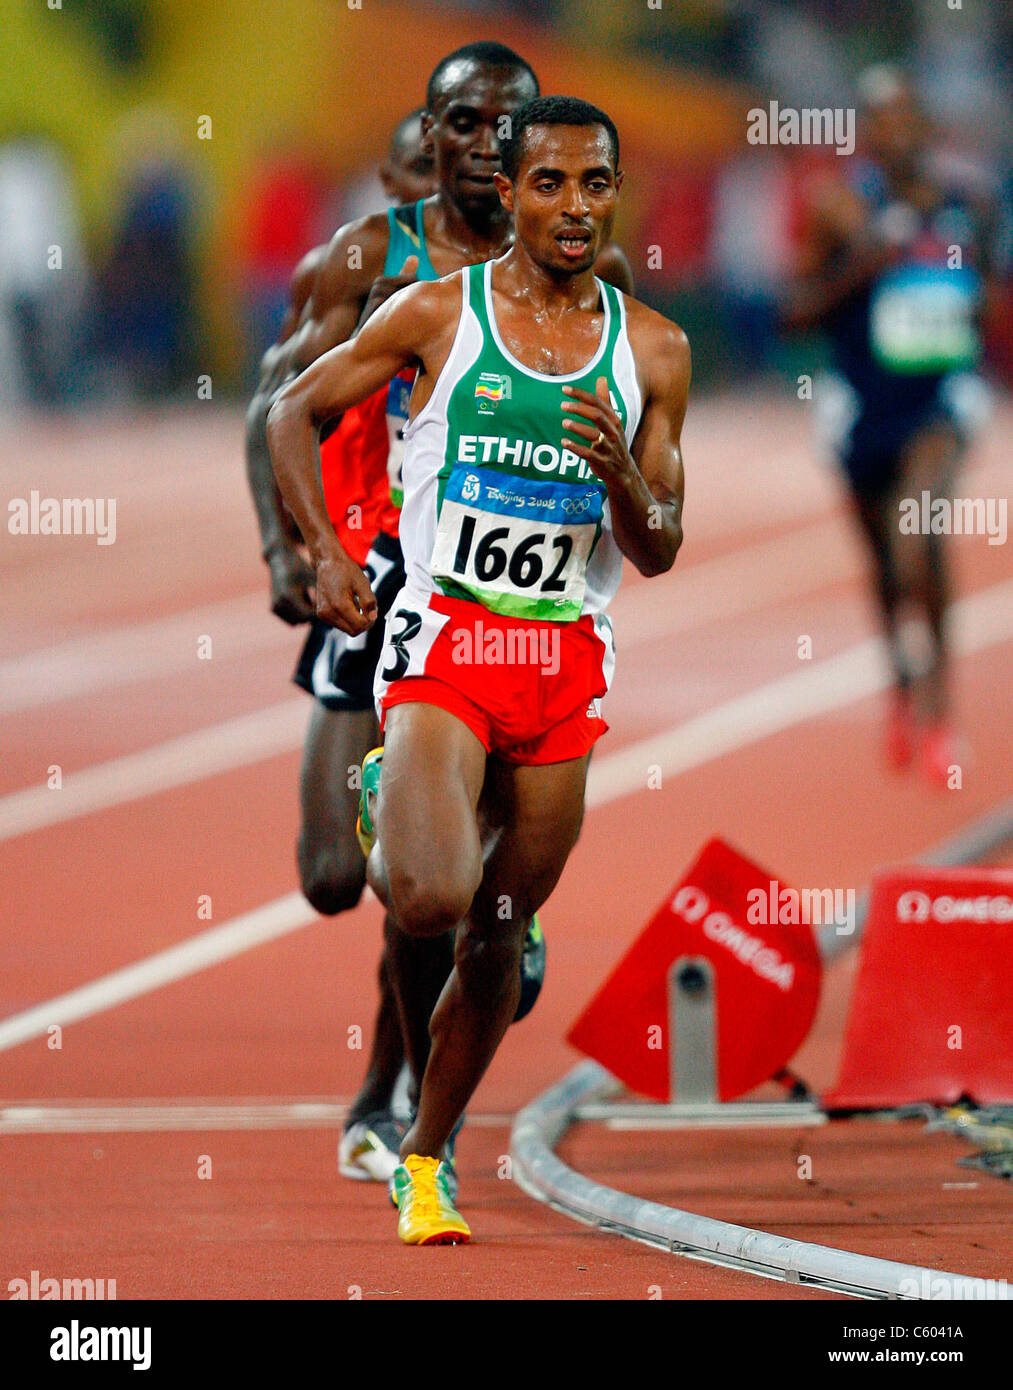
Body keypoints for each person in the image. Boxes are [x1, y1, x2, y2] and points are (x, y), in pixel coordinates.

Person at [267, 95, 689, 1244]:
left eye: (592, 185)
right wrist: (321, 551)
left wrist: (622, 484)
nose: (570, 206)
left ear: (612, 196)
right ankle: (391, 801)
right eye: (546, 183)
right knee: (429, 897)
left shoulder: (652, 348)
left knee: (501, 930)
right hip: (448, 633)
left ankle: (425, 1154)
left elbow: (657, 548)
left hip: (562, 652)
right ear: (508, 191)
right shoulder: (435, 314)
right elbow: (291, 411)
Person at [784, 66, 998, 786]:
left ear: (925, 129)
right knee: (883, 568)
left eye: (906, 118)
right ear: (866, 135)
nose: (895, 133)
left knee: (919, 539)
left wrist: (972, 305)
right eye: (881, 121)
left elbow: (991, 299)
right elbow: (795, 311)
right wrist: (868, 264)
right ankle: (903, 691)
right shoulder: (837, 206)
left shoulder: (966, 204)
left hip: (939, 401)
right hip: (858, 406)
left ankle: (939, 712)